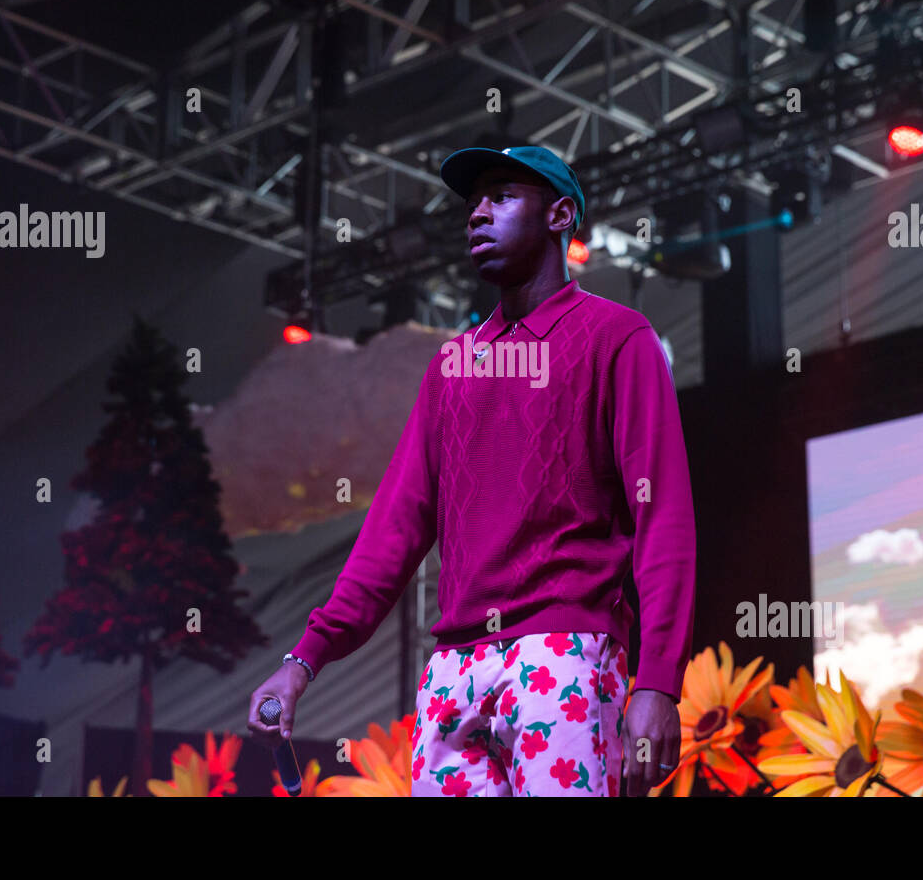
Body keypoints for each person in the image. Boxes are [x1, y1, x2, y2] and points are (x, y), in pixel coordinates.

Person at [248, 145, 696, 796]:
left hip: (562, 655)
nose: (477, 213)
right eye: (472, 201)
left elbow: (666, 518)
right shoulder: (452, 367)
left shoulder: (618, 339)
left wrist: (657, 681)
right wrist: (303, 660)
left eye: (501, 196)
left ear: (560, 215)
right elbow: (392, 532)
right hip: (454, 670)